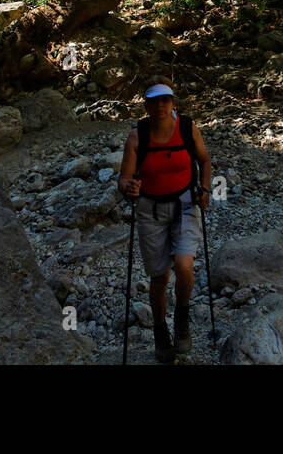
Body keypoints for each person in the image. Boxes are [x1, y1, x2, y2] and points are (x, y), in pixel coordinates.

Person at [118, 80, 211, 363]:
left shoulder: (187, 128)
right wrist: (128, 188)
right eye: (154, 101)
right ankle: (161, 332)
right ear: (146, 106)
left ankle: (181, 321)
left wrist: (205, 189)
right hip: (150, 211)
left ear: (173, 103)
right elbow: (124, 178)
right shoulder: (137, 137)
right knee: (159, 277)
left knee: (184, 265)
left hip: (184, 204)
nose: (160, 106)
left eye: (165, 100)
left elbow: (205, 161)